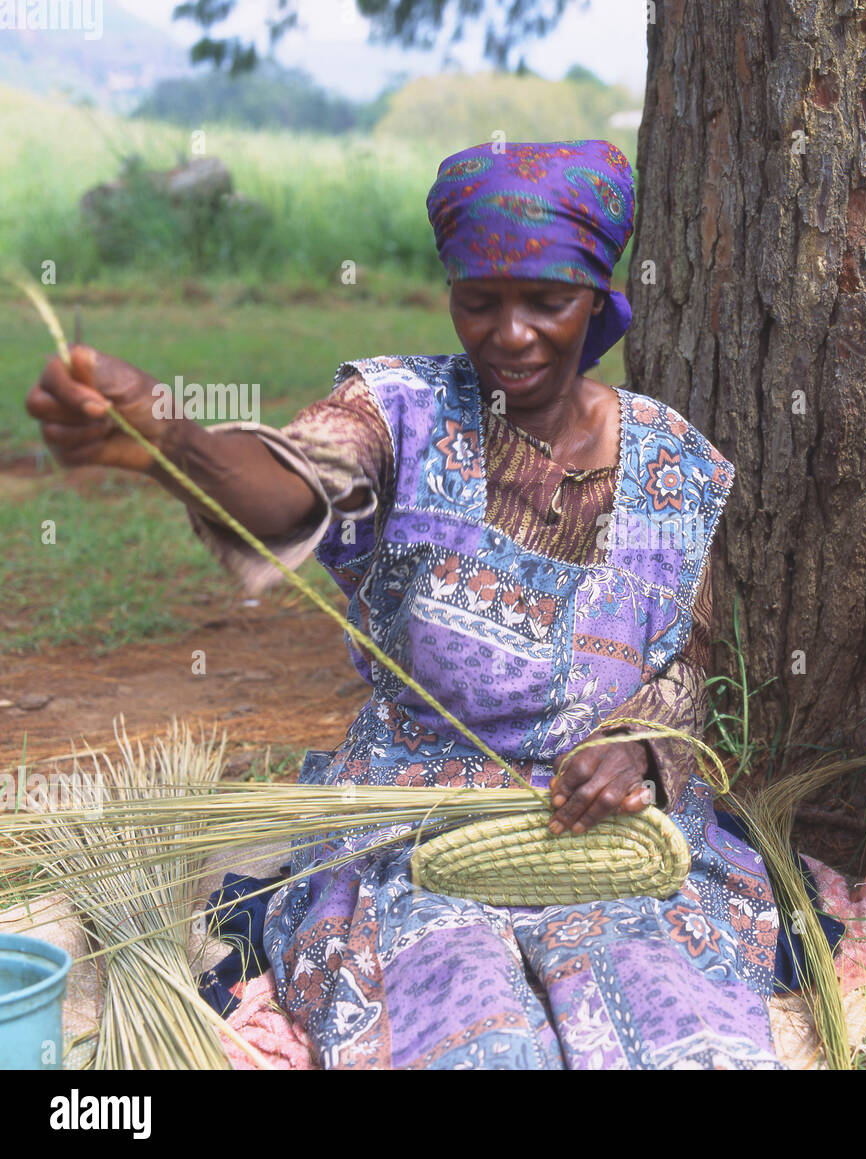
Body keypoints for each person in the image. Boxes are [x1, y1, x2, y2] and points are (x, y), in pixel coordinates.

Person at [26, 139, 785, 1069]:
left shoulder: (671, 460)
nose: (510, 333)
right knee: (473, 1042)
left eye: (545, 300)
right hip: (416, 824)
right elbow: (290, 489)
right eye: (479, 299)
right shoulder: (398, 412)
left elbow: (684, 662)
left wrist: (637, 751)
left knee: (679, 1030)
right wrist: (171, 439)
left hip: (607, 832)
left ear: (597, 293)